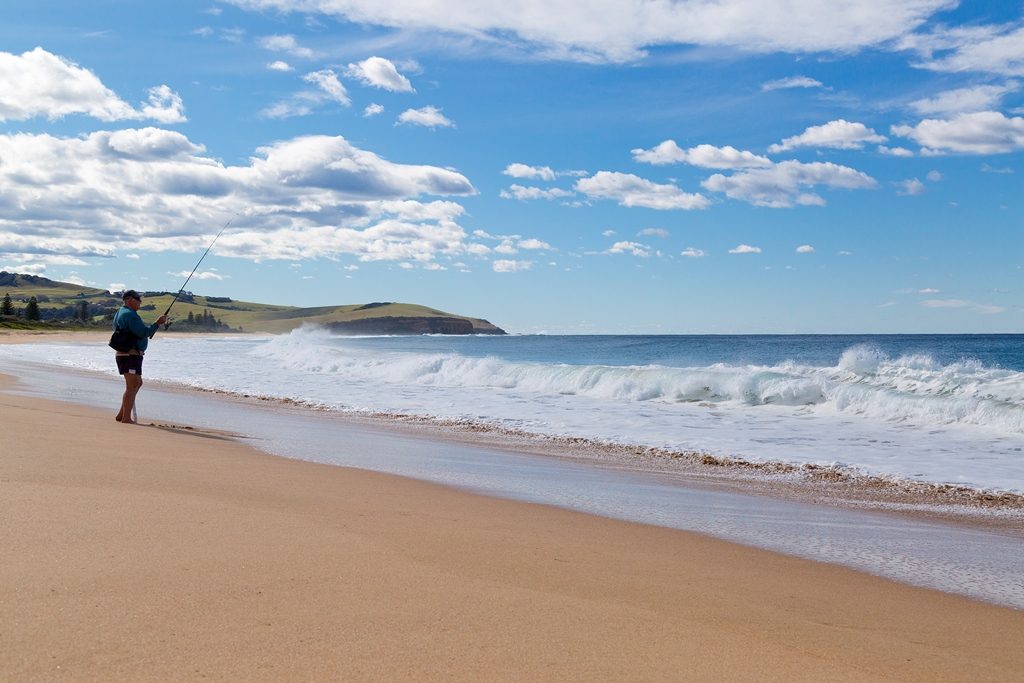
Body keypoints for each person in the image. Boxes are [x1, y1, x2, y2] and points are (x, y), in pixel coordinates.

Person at [113, 290, 167, 424]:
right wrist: (157, 323)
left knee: (137, 383)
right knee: (132, 385)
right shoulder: (130, 315)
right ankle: (126, 418)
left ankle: (121, 414)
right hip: (129, 354)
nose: (140, 302)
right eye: (138, 299)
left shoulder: (122, 312)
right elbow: (144, 332)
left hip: (130, 354)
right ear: (130, 299)